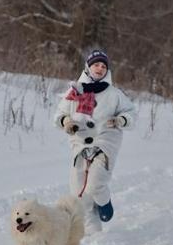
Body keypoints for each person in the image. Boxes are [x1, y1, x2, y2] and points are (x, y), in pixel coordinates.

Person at [53, 49, 136, 233]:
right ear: (88, 67)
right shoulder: (75, 91)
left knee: (95, 184)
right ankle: (94, 234)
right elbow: (60, 114)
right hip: (80, 144)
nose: (100, 68)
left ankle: (104, 205)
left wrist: (120, 120)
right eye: (96, 65)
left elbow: (131, 113)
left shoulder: (114, 94)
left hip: (104, 142)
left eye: (103, 66)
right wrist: (66, 121)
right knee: (78, 193)